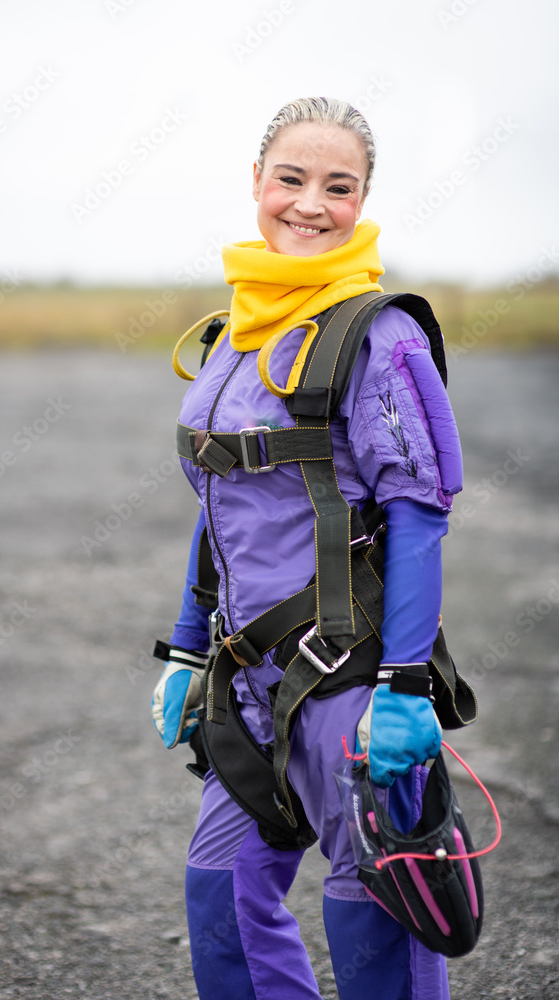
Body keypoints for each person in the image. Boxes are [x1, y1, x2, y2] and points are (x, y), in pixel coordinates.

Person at [151, 97, 468, 1000]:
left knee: (372, 913)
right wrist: (184, 645)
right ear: (256, 182)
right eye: (290, 178)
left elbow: (419, 515)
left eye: (339, 186)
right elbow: (219, 504)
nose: (309, 203)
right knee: (221, 898)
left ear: (362, 200)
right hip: (245, 680)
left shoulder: (381, 337)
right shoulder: (235, 335)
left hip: (349, 678)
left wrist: (403, 686)